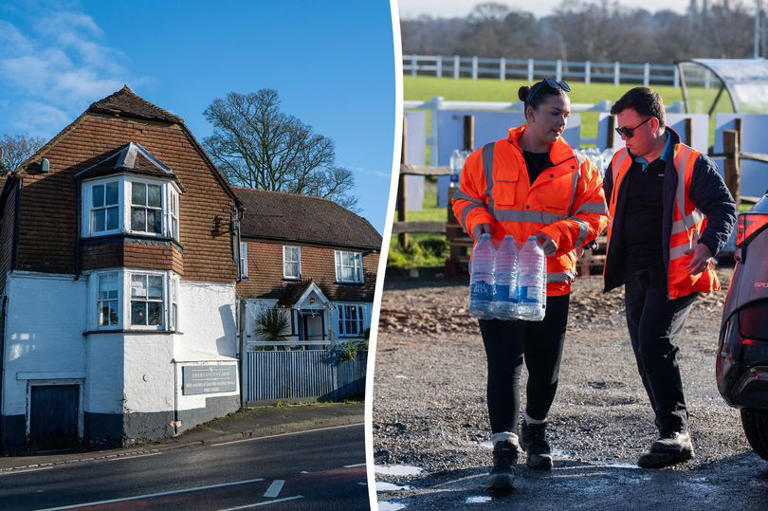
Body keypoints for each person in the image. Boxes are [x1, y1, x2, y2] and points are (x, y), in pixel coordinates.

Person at [451, 79, 609, 491]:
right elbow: (464, 198)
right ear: (530, 114)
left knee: (545, 370)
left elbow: (597, 216)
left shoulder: (579, 166)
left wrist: (560, 232)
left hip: (550, 284)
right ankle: (504, 451)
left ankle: (535, 429)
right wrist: (479, 224)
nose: (562, 122)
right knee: (504, 366)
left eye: (567, 116)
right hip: (497, 284)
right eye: (555, 113)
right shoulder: (487, 158)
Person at [603, 87, 736, 468]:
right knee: (644, 351)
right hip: (636, 273)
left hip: (678, 272)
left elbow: (723, 206)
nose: (623, 138)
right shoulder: (621, 162)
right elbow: (603, 207)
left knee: (654, 341)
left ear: (654, 125)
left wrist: (709, 245)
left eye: (628, 131)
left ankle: (676, 434)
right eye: (620, 132)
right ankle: (669, 430)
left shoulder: (689, 163)